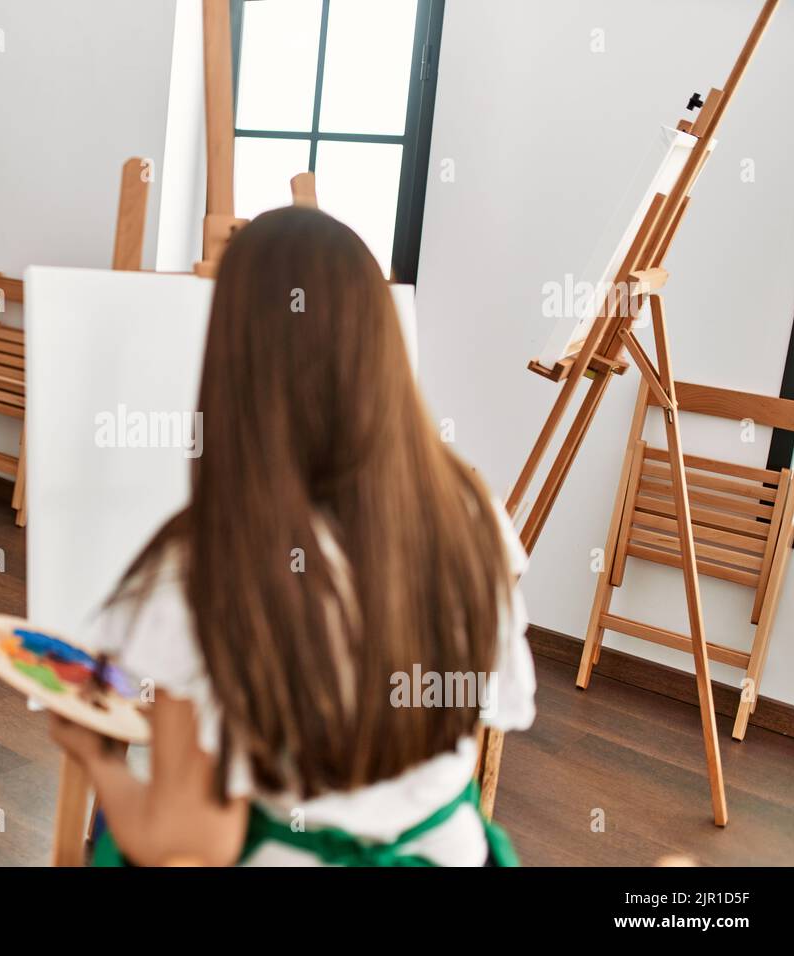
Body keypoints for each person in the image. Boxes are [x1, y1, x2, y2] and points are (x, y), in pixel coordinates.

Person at [50, 205, 535, 866]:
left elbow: (185, 845)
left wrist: (97, 759)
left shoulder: (210, 569)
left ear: (234, 361)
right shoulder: (473, 517)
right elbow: (457, 745)